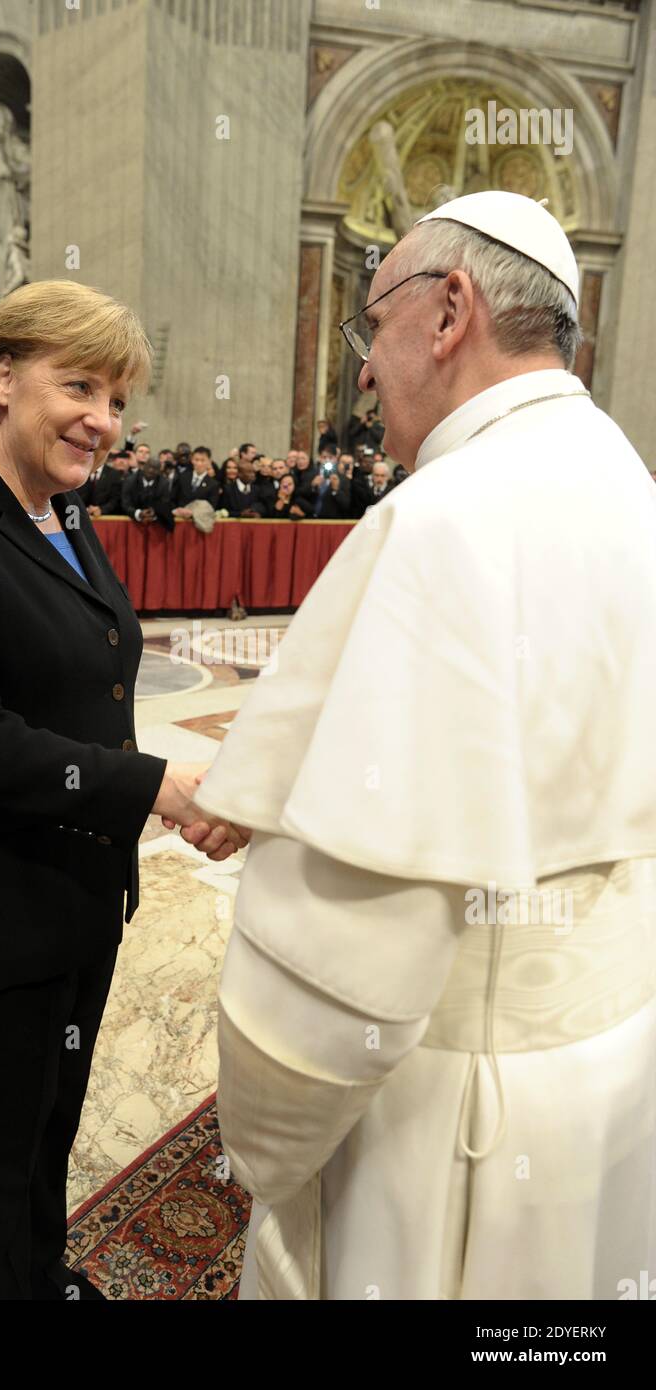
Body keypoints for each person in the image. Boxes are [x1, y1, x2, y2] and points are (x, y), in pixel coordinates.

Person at [191, 191, 656, 1299]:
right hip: (613, 1053)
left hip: (459, 1107)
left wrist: (267, 1129)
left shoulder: (446, 517)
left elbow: (356, 943)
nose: (362, 369)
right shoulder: (628, 483)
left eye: (372, 324)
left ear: (450, 313)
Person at [0, 279, 249, 1300]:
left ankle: (38, 1277)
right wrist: (160, 785)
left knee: (45, 1134)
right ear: (2, 376)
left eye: (118, 399)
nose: (104, 421)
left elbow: (88, 680)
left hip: (70, 895)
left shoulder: (61, 508)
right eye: (80, 385)